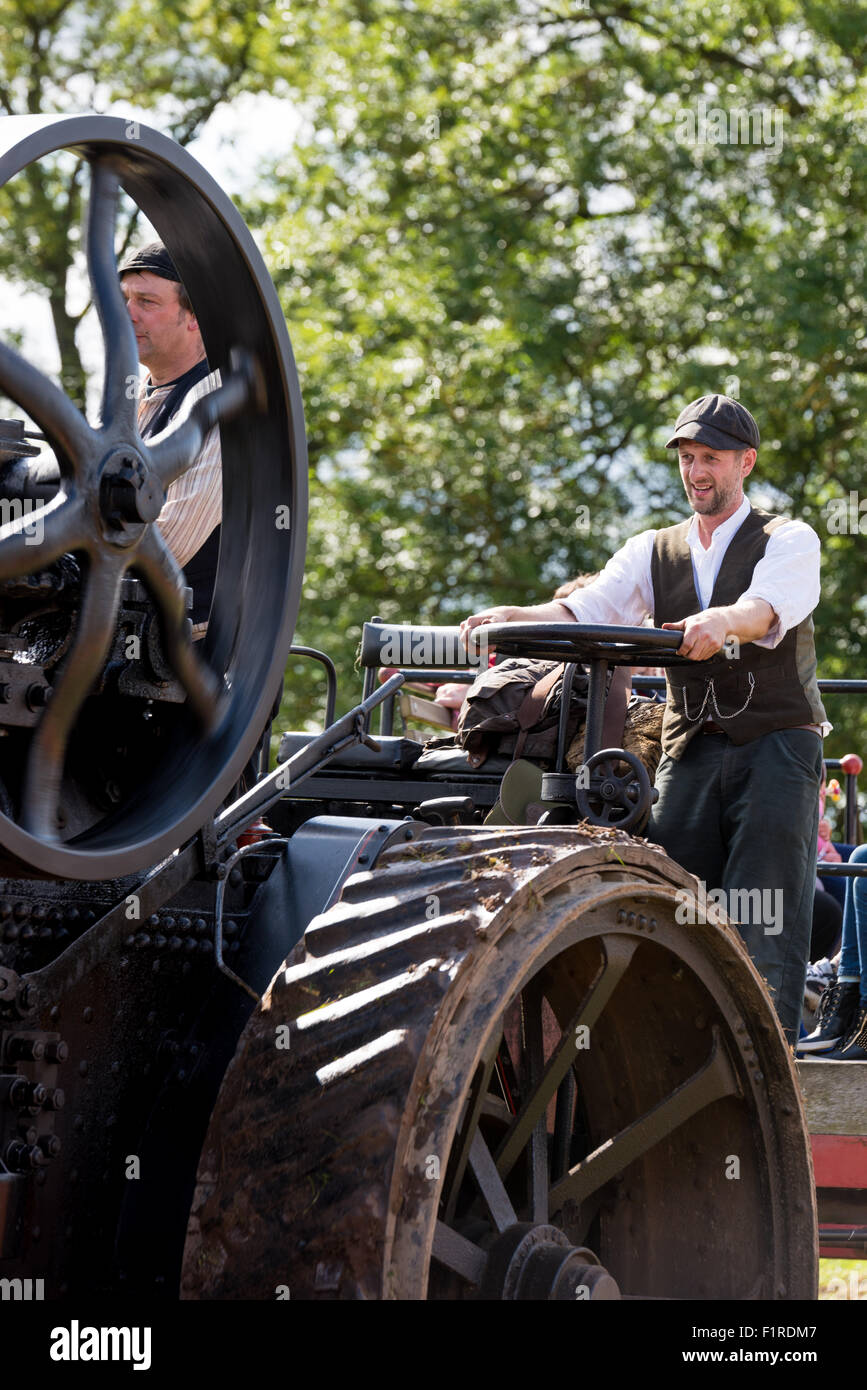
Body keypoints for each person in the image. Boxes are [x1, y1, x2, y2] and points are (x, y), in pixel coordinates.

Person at [461, 393, 827, 1045]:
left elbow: (766, 609)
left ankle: (771, 1056)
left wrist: (719, 621)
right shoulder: (652, 550)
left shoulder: (787, 539)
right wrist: (517, 617)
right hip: (691, 748)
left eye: (709, 458)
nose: (695, 472)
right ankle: (678, 1052)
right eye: (686, 458)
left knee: (764, 907)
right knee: (672, 895)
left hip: (776, 747)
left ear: (744, 462)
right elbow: (590, 609)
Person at [118, 242, 221, 638]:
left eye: (146, 301)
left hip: (193, 666)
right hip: (126, 639)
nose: (127, 313)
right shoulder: (133, 397)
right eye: (125, 298)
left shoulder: (218, 406)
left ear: (194, 316)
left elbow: (169, 545)